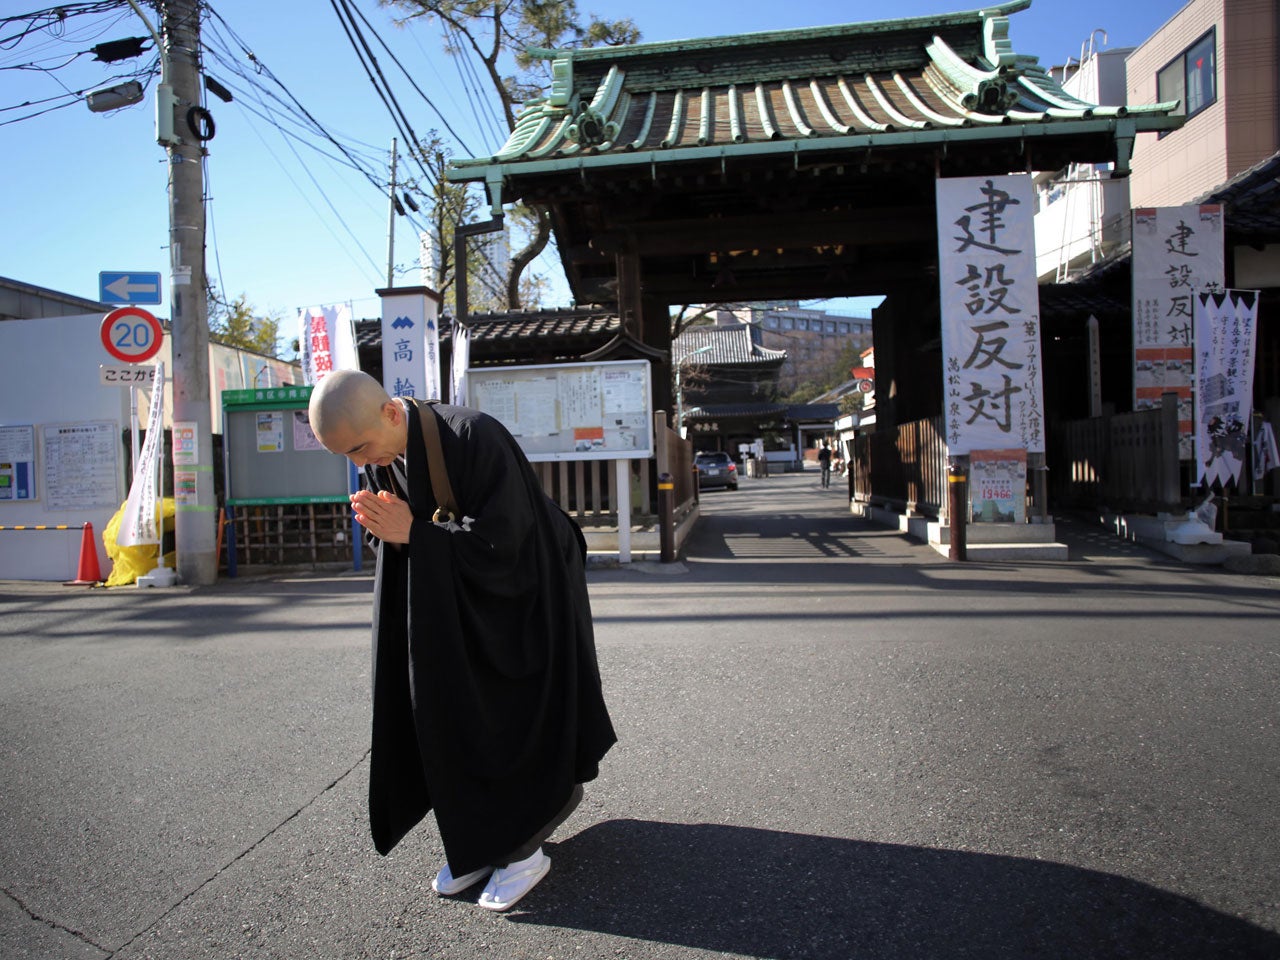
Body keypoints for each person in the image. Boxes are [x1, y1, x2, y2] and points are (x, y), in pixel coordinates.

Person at [308, 370, 616, 912]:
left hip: (524, 600)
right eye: (347, 456)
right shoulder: (388, 457)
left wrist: (415, 536)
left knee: (508, 711)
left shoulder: (474, 435)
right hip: (454, 607)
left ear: (390, 414)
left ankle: (521, 849)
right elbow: (418, 538)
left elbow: (509, 543)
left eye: (359, 447)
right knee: (447, 710)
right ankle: (476, 843)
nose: (360, 462)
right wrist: (401, 537)